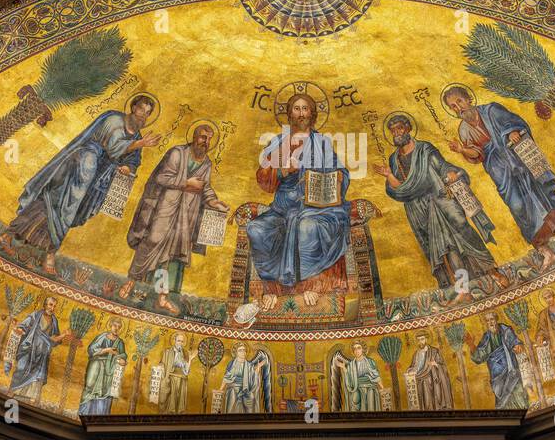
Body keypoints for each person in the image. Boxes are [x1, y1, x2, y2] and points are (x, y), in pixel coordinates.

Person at [3, 94, 162, 274]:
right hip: (81, 167)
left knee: (73, 211)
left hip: (97, 180)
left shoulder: (138, 136)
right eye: (141, 109)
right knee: (57, 203)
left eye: (147, 113)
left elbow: (133, 160)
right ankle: (16, 239)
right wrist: (138, 144)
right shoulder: (114, 119)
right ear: (133, 107)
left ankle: (44, 250)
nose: (143, 115)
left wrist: (127, 167)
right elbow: (112, 147)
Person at [444, 86, 555, 267]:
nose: (458, 108)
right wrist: (462, 149)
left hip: (517, 159)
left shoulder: (491, 110)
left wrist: (512, 131)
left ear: (469, 98)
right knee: (517, 206)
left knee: (542, 193)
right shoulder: (464, 130)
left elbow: (516, 123)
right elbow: (477, 155)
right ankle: (544, 251)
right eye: (453, 107)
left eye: (459, 102)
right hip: (499, 172)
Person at [374, 113, 500, 297]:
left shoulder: (424, 149)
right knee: (445, 248)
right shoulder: (394, 160)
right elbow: (400, 188)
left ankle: (492, 271)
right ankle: (462, 287)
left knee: (463, 229)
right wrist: (389, 176)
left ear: (408, 129)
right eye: (392, 131)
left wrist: (451, 173)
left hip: (441, 199)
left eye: (400, 128)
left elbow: (442, 167)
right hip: (419, 209)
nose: (396, 133)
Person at [247, 92, 349, 309]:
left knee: (306, 227)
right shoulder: (278, 143)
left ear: (312, 113)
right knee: (256, 229)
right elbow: (263, 179)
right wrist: (284, 170)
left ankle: (312, 285)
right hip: (282, 209)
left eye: (305, 108)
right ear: (289, 113)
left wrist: (338, 177)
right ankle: (272, 288)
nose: (301, 113)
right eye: (296, 108)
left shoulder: (321, 143)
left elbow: (340, 172)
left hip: (317, 208)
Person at [120, 123, 228, 314]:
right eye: (203, 137)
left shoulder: (206, 163)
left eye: (209, 139)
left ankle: (162, 297)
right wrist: (187, 183)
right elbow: (162, 178)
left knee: (170, 257)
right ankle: (130, 281)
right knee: (151, 242)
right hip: (166, 206)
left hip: (187, 212)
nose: (206, 142)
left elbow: (205, 186)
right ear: (194, 137)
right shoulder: (177, 153)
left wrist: (213, 202)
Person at [10, 296, 72, 401]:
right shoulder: (35, 315)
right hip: (29, 349)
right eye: (50, 305)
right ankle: (11, 393)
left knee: (37, 377)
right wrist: (18, 329)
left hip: (43, 354)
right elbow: (24, 326)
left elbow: (54, 339)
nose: (52, 308)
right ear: (45, 305)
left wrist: (63, 335)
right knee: (21, 369)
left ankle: (30, 400)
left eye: (54, 306)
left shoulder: (54, 321)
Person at [469, 311, 530, 409]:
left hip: (511, 370)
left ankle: (524, 410)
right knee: (502, 396)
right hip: (496, 374)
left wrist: (517, 345)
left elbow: (514, 341)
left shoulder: (506, 330)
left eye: (492, 319)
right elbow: (479, 357)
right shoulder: (486, 337)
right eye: (488, 321)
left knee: (517, 390)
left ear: (496, 319)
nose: (490, 322)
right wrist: (471, 345)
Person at [78, 317, 126, 415]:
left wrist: (122, 360)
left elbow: (123, 355)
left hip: (109, 371)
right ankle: (84, 413)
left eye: (119, 327)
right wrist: (106, 350)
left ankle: (100, 416)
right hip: (96, 366)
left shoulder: (120, 342)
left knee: (106, 393)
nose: (116, 328)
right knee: (90, 387)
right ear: (110, 326)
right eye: (115, 326)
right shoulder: (103, 337)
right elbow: (91, 350)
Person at [330, 341, 384, 412]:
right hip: (357, 388)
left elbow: (376, 376)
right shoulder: (351, 365)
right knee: (355, 399)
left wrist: (382, 387)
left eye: (359, 348)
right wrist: (343, 367)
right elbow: (349, 377)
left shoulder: (370, 362)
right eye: (354, 349)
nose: (356, 350)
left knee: (370, 404)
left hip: (370, 387)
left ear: (363, 350)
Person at [407, 331, 454, 410]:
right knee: (424, 401)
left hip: (431, 379)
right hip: (419, 380)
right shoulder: (416, 354)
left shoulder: (434, 351)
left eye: (422, 339)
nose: (420, 342)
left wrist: (435, 364)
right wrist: (410, 370)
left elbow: (442, 365)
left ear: (426, 339)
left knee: (430, 400)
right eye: (418, 340)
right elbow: (414, 366)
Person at [220, 343, 272, 413]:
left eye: (244, 350)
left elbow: (253, 376)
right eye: (240, 350)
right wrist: (221, 389)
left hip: (245, 389)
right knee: (232, 393)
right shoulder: (232, 364)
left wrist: (258, 368)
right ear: (236, 353)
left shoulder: (249, 365)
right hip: (233, 388)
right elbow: (226, 378)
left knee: (249, 397)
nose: (243, 352)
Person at [157, 332, 194, 414]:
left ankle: (179, 413)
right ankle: (171, 412)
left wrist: (190, 359)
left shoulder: (185, 353)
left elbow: (186, 369)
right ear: (174, 340)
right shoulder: (168, 351)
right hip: (171, 376)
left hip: (182, 378)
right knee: (172, 396)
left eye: (182, 341)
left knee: (181, 398)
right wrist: (161, 367)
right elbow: (162, 363)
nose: (180, 343)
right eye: (178, 341)